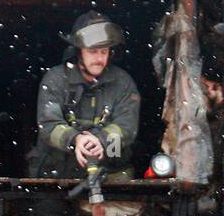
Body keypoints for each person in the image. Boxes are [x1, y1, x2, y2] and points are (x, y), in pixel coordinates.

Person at [26, 11, 140, 180]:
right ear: (79, 51)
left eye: (104, 51)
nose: (99, 58)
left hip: (109, 177)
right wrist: (75, 139)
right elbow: (47, 125)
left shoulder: (123, 82)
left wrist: (103, 141)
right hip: (56, 178)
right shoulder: (55, 79)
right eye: (92, 51)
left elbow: (127, 128)